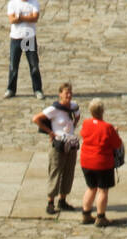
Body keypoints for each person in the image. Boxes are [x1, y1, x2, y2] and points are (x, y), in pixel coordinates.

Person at [34, 83, 81, 215]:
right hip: (58, 144)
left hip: (70, 144)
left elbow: (77, 115)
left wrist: (74, 126)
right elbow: (36, 119)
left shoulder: (74, 106)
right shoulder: (53, 109)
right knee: (55, 171)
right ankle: (50, 202)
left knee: (68, 172)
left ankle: (63, 200)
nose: (69, 95)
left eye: (70, 93)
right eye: (66, 93)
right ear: (60, 94)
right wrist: (50, 132)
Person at [77, 98, 123, 227]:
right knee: (103, 190)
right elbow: (117, 144)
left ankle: (85, 214)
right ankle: (101, 217)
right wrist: (116, 132)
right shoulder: (108, 127)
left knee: (91, 188)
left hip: (86, 161)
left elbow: (85, 135)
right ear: (102, 111)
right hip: (102, 163)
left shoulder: (86, 123)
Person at [4, 0, 43, 99]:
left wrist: (20, 17)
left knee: (34, 65)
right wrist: (27, 17)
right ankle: (11, 89)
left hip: (29, 37)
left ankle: (37, 89)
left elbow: (35, 18)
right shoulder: (12, 3)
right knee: (13, 65)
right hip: (16, 37)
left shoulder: (34, 2)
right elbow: (12, 20)